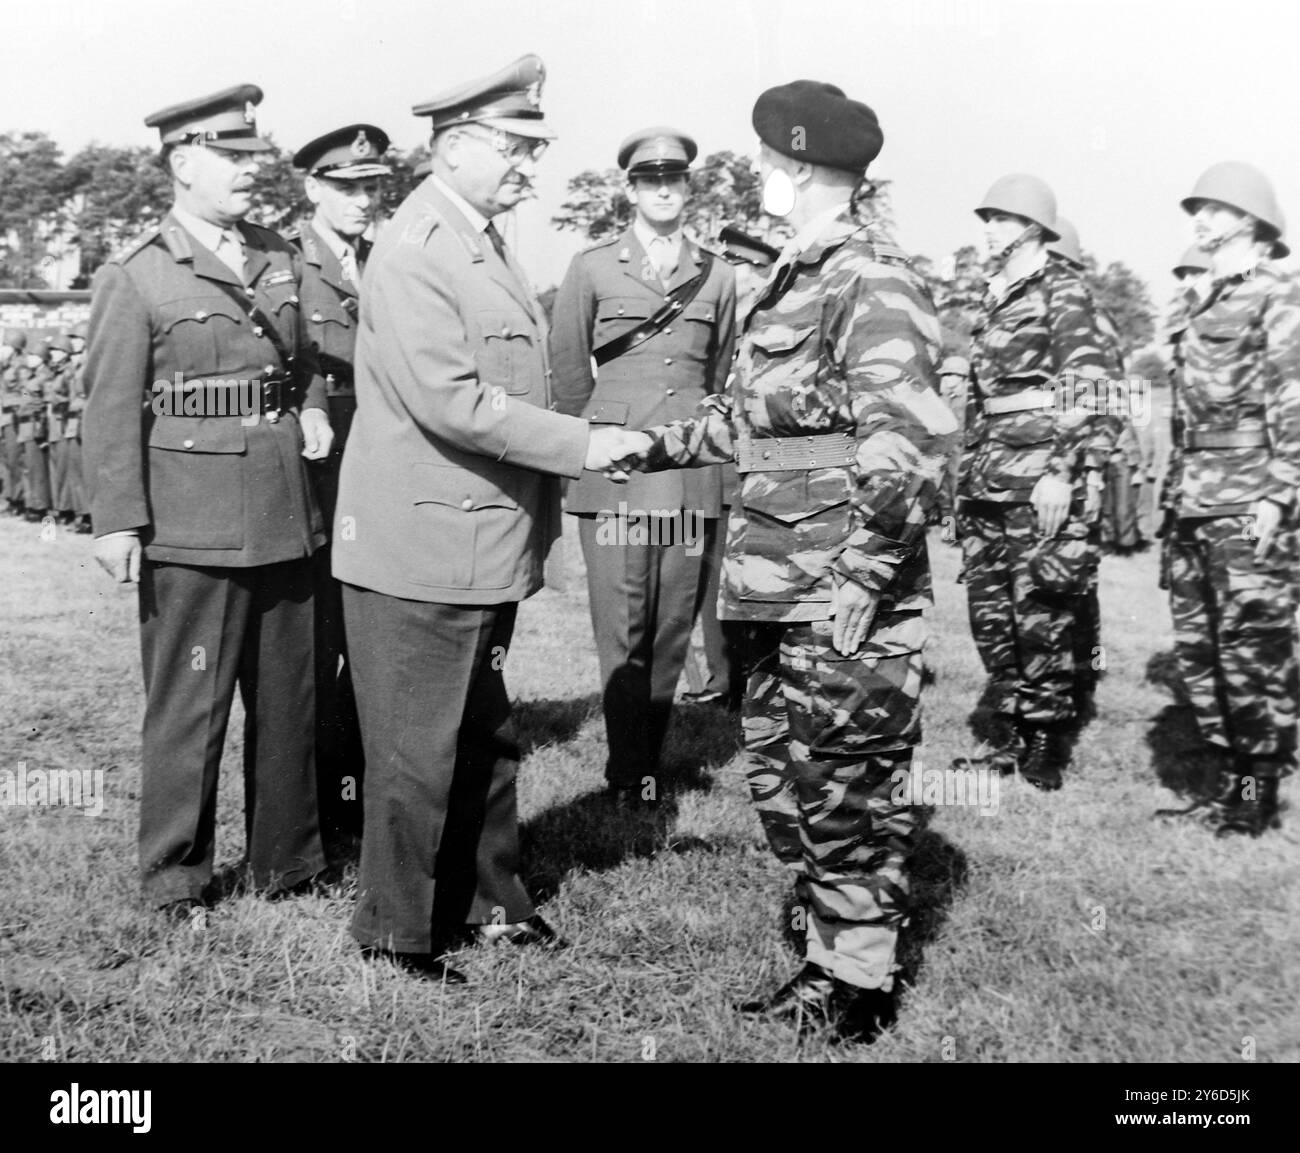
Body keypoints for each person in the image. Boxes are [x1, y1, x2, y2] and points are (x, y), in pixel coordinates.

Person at [621, 80, 956, 1043]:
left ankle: (860, 983)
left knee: (848, 778)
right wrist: (650, 444)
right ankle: (825, 954)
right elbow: (754, 418)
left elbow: (911, 444)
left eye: (770, 163)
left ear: (802, 167)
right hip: (772, 573)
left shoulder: (871, 277)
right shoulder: (796, 273)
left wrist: (865, 574)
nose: (761, 176)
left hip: (838, 581)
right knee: (787, 775)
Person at [333, 55, 644, 983]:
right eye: (515, 148)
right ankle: (397, 931)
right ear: (459, 146)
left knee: (483, 736)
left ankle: (490, 904)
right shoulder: (420, 245)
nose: (529, 167)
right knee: (415, 751)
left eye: (532, 149)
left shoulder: (476, 235)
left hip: (474, 540)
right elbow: (454, 402)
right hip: (423, 544)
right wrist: (587, 445)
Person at [82, 84, 334, 917]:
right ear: (184, 164)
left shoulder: (278, 255)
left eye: (254, 160)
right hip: (190, 524)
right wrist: (118, 518)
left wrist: (314, 413)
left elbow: (305, 369)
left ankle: (286, 866)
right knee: (189, 704)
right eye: (233, 160)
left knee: (289, 698)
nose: (250, 176)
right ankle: (174, 878)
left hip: (283, 511)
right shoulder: (138, 272)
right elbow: (109, 406)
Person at [550, 127, 737, 798]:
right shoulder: (593, 266)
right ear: (630, 189)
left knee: (669, 627)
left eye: (676, 178)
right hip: (618, 479)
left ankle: (645, 764)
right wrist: (587, 447)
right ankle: (625, 765)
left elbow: (722, 376)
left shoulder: (718, 273)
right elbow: (569, 369)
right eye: (650, 179)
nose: (663, 189)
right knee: (622, 624)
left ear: (689, 188)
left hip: (685, 481)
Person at [952, 176, 1114, 790]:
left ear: (1028, 226)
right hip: (989, 472)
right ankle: (1011, 731)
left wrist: (1061, 470)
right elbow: (978, 398)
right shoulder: (994, 295)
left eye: (997, 219)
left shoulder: (1063, 290)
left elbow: (1088, 384)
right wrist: (961, 483)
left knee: (1041, 606)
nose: (988, 229)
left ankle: (1046, 739)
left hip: (1038, 471)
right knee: (991, 611)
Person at [1155, 162, 1299, 837]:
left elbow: (1293, 398)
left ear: (1249, 218)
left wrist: (1280, 491)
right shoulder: (1203, 299)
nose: (1200, 221)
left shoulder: (1279, 293)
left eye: (1214, 209)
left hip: (1248, 494)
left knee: (1252, 642)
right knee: (1203, 643)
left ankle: (1257, 787)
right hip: (1194, 495)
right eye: (1198, 209)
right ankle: (1225, 771)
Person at [287, 123, 392, 852]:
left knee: (369, 630)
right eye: (346, 187)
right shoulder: (287, 260)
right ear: (313, 188)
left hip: (382, 460)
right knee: (320, 635)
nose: (362, 200)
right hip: (320, 464)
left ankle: (359, 787)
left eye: (371, 186)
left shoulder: (386, 258)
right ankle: (325, 800)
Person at [680, 225, 781, 708]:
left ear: (761, 273)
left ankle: (749, 679)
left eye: (742, 268)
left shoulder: (775, 324)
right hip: (709, 471)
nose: (733, 275)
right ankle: (721, 680)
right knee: (703, 578)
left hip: (756, 473)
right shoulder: (709, 322)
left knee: (746, 581)